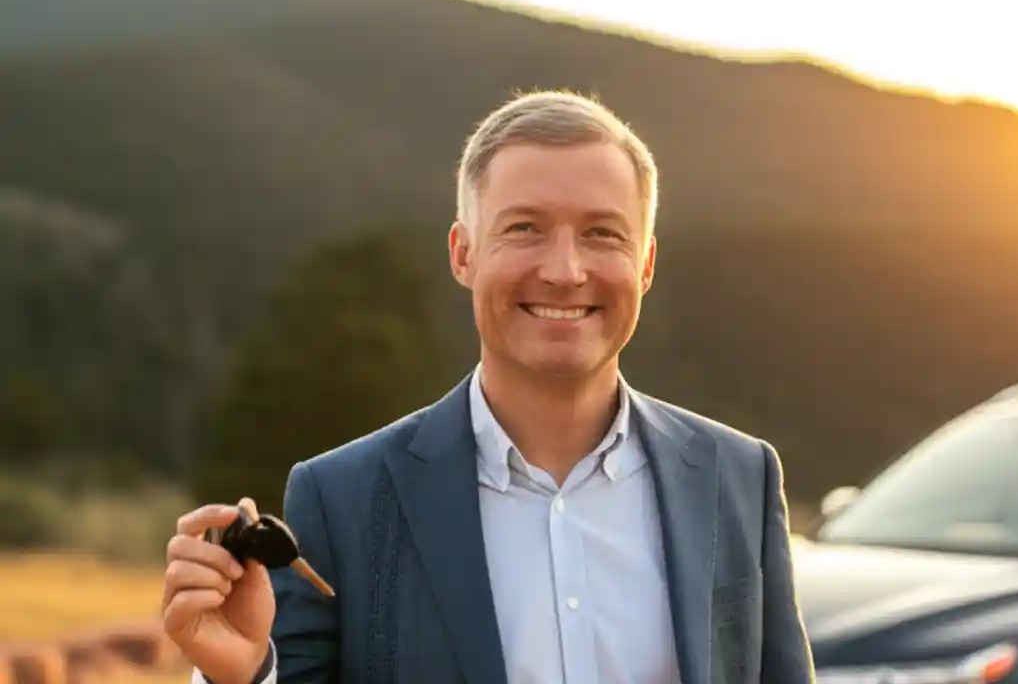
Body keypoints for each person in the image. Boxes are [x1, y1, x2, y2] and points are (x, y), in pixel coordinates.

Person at [161, 90, 815, 684]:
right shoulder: (343, 498)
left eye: (602, 234)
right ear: (463, 254)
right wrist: (240, 677)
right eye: (524, 228)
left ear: (644, 264)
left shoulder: (738, 476)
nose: (565, 270)